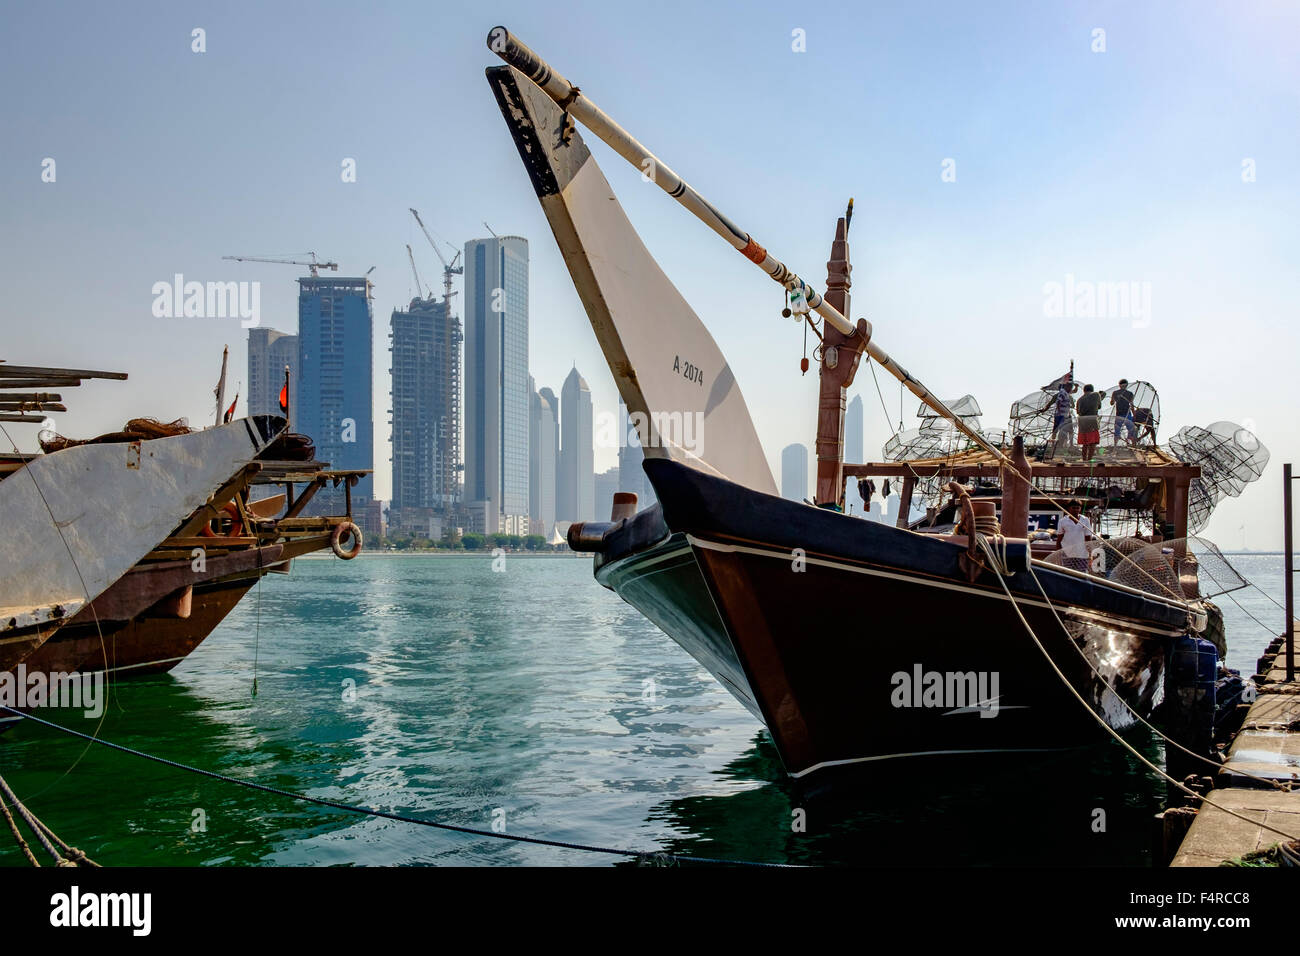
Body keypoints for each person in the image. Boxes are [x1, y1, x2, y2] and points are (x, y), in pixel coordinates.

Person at [1055, 499, 1095, 573]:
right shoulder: (1062, 521)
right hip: (1067, 553)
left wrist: (1090, 554)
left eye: (1078, 508)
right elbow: (1059, 539)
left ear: (1080, 509)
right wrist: (1057, 554)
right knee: (1068, 574)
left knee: (1081, 575)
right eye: (1073, 508)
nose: (1076, 510)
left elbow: (1088, 538)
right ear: (1069, 508)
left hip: (1082, 554)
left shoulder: (1085, 520)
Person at [1076, 384, 1103, 461]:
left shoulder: (1079, 399)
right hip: (1092, 422)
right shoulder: (1096, 395)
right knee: (1092, 442)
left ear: (1084, 390)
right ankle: (1089, 459)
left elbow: (1078, 411)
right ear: (1092, 389)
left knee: (1085, 443)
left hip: (1082, 423)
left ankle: (1084, 460)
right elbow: (1099, 406)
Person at [1110, 378, 1137, 445]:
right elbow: (1132, 405)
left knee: (1117, 431)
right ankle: (1132, 444)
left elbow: (1111, 403)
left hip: (1120, 414)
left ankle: (1115, 446)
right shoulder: (1129, 393)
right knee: (1131, 429)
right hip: (1126, 414)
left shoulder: (1115, 393)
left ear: (1119, 385)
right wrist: (1134, 414)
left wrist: (1114, 399)